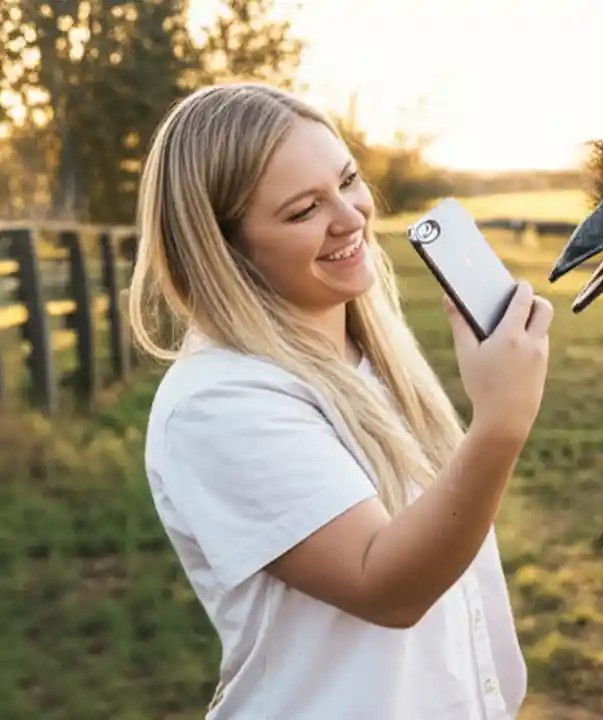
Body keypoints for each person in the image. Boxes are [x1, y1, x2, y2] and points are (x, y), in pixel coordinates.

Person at [129, 82, 551, 719]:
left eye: (348, 180)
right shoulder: (219, 404)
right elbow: (385, 586)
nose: (351, 217)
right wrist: (498, 425)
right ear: (227, 249)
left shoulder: (367, 354)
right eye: (303, 211)